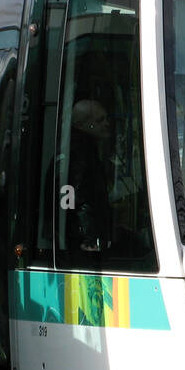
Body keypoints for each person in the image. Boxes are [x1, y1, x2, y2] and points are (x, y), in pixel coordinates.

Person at [69, 98, 112, 254]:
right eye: (100, 120)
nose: (107, 124)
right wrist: (89, 240)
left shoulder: (88, 152)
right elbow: (77, 199)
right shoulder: (80, 155)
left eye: (107, 118)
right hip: (85, 245)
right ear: (83, 125)